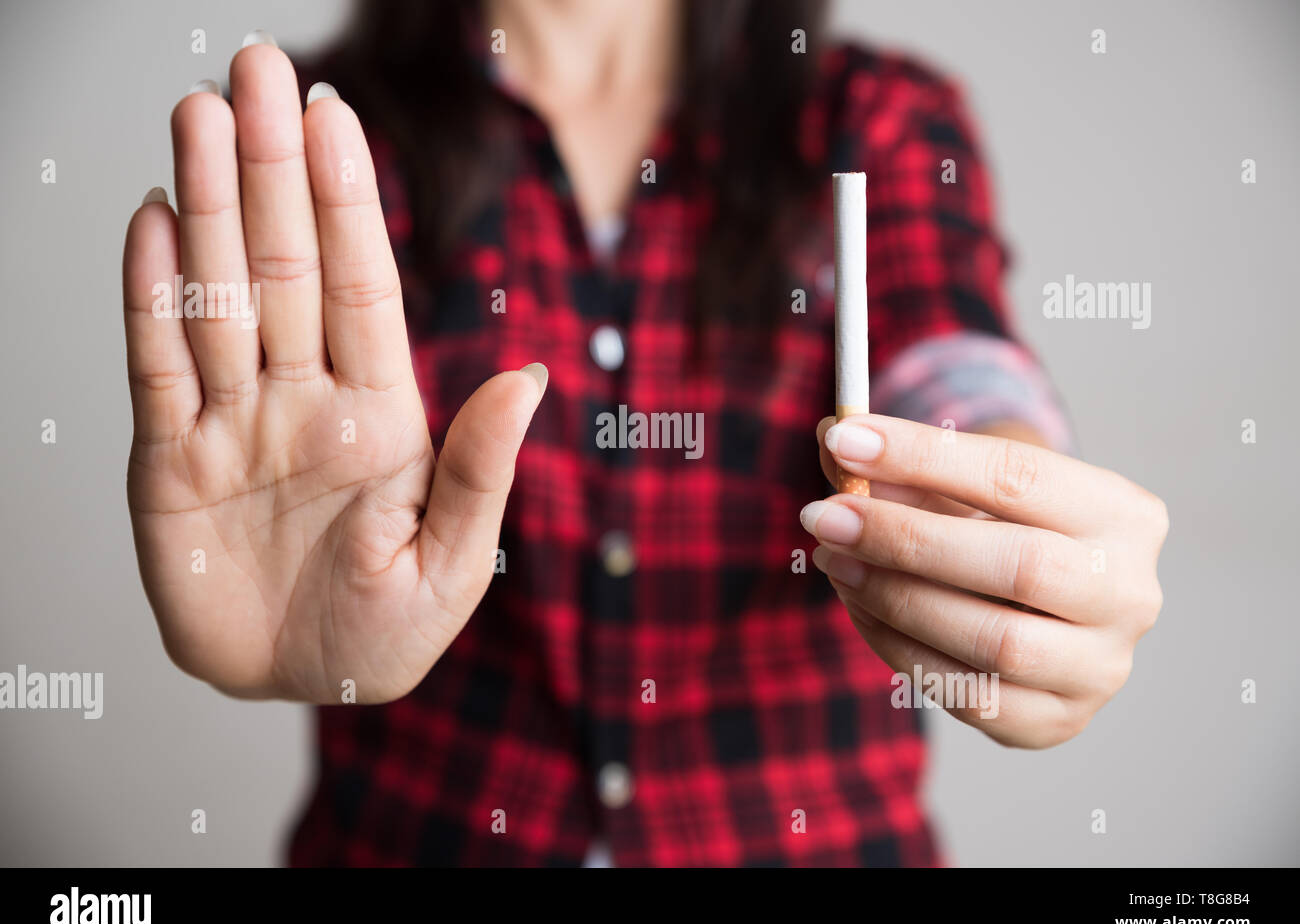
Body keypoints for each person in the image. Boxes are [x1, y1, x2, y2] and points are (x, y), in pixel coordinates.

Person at [120, 0, 1167, 866]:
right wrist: (276, 629)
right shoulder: (320, 141)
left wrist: (1008, 513)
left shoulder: (876, 117)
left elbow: (951, 354)